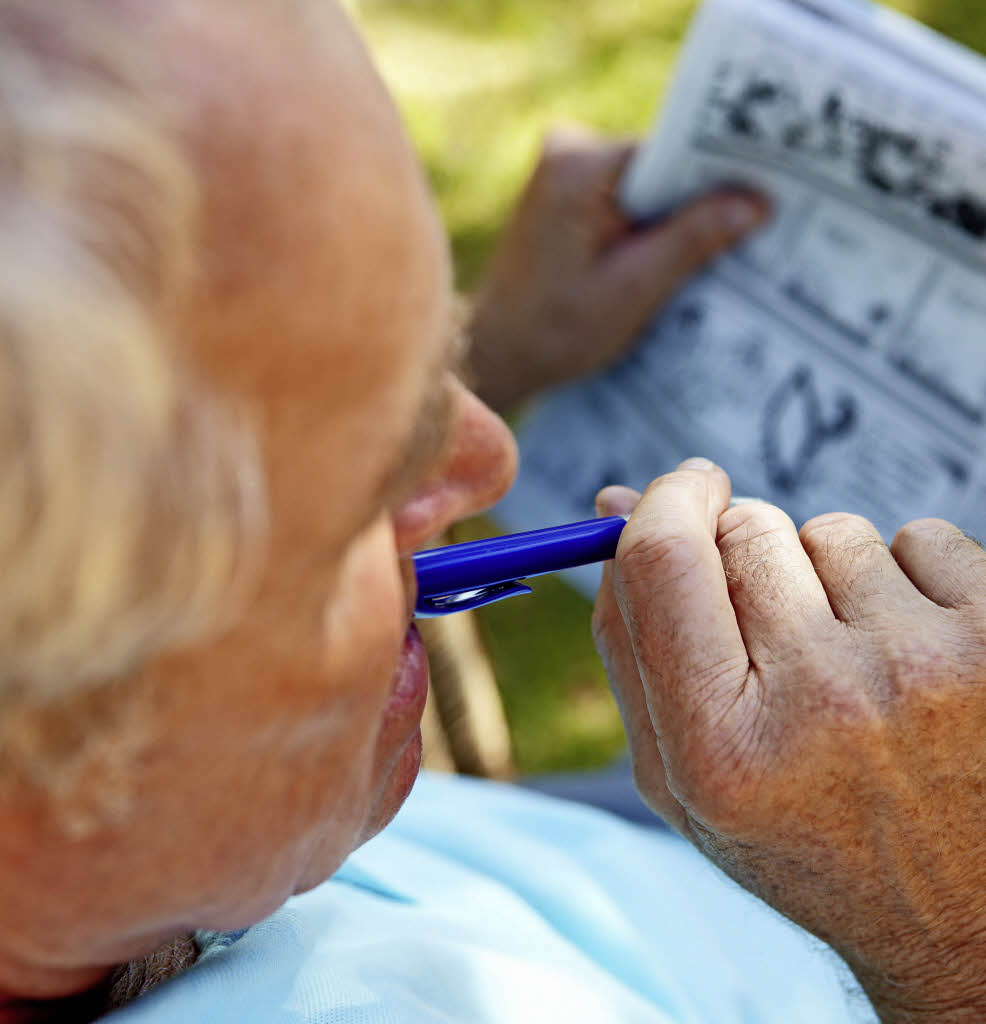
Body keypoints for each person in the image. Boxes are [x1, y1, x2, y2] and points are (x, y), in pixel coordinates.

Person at [0, 2, 979, 1023]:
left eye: (428, 366)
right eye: (357, 486)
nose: (484, 455)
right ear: (56, 741)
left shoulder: (154, 835)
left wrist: (501, 344)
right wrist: (949, 932)